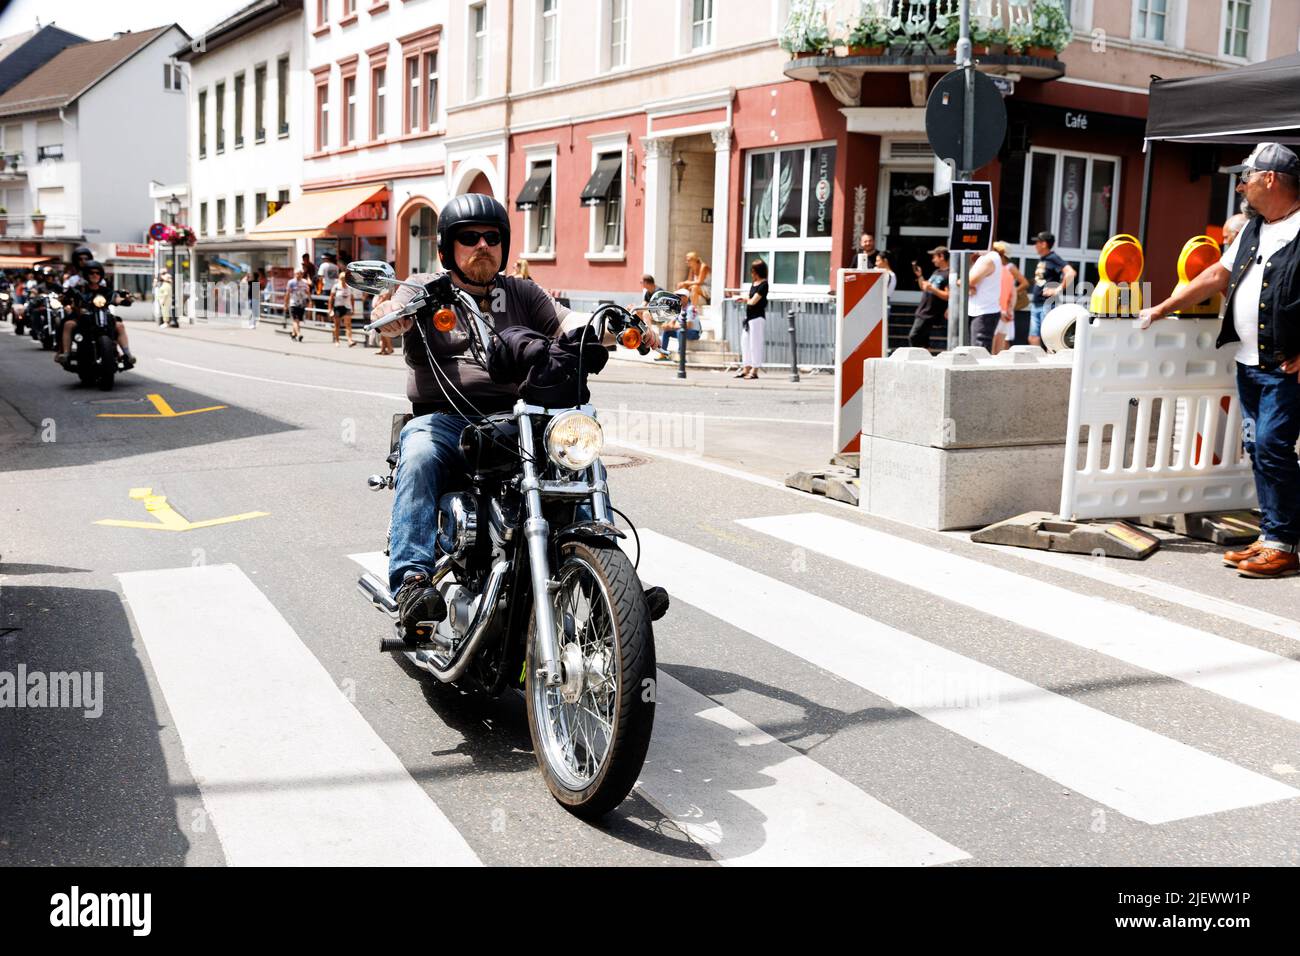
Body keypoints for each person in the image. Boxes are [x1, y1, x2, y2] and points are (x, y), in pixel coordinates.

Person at [368, 193, 659, 637]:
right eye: (469, 237)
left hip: (521, 419)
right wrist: (389, 313)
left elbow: (568, 322)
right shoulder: (427, 288)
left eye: (491, 237)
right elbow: (391, 311)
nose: (482, 245)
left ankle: (610, 580)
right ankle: (411, 581)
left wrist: (619, 326)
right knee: (421, 450)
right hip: (447, 420)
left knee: (576, 456)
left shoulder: (521, 292)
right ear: (448, 248)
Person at [1138, 142, 1300, 578]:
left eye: (1245, 177)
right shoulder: (1255, 228)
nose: (1240, 186)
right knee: (1259, 449)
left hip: (1287, 367)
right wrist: (1164, 306)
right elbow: (1216, 276)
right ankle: (1273, 537)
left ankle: (1283, 542)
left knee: (1272, 447)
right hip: (1250, 362)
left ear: (1269, 179)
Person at [56, 260, 134, 368]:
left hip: (103, 317)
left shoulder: (106, 291)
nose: (95, 275)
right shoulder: (78, 290)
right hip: (83, 318)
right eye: (91, 273)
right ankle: (66, 353)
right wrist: (64, 299)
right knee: (68, 324)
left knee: (119, 325)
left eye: (97, 273)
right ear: (86, 275)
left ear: (101, 275)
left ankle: (127, 354)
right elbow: (65, 298)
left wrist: (125, 300)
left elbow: (116, 298)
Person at [1028, 231, 1077, 347]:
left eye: (1037, 243)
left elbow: (1071, 273)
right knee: (1033, 337)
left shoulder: (1053, 257)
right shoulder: (1043, 259)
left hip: (1047, 304)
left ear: (1044, 244)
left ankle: (1048, 362)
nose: (1035, 245)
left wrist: (1057, 290)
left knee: (1047, 338)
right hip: (1036, 304)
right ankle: (1038, 363)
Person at [731, 259, 769, 379]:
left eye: (753, 271)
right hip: (749, 318)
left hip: (757, 318)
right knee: (745, 343)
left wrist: (746, 299)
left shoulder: (764, 284)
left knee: (755, 344)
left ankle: (755, 369)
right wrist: (742, 298)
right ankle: (746, 367)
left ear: (758, 271)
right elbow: (750, 297)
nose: (751, 273)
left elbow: (753, 301)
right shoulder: (754, 284)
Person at [908, 246, 950, 350]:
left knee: (914, 337)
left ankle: (917, 361)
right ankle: (926, 360)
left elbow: (948, 296)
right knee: (923, 342)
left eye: (934, 257)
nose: (932, 260)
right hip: (923, 310)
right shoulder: (936, 272)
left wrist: (932, 288)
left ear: (941, 256)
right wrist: (920, 276)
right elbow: (924, 288)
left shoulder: (949, 274)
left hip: (930, 313)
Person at [991, 241, 1029, 354]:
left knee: (1003, 339)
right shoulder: (993, 266)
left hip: (1005, 307)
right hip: (998, 306)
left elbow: (1025, 283)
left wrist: (1011, 292)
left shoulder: (1009, 267)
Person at [965, 245, 1004, 351]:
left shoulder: (989, 258)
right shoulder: (986, 258)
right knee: (975, 351)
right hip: (980, 311)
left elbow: (969, 281)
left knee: (979, 353)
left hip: (984, 312)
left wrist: (959, 281)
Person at [327, 270, 359, 347]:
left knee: (348, 324)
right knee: (337, 325)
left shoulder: (349, 288)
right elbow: (331, 298)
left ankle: (350, 340)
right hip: (338, 307)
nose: (343, 280)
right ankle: (337, 340)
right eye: (342, 278)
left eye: (345, 278)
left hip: (347, 307)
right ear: (340, 279)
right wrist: (330, 309)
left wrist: (353, 309)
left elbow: (352, 299)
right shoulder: (336, 287)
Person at [676, 251, 710, 316]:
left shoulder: (703, 267)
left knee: (694, 287)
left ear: (694, 260)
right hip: (699, 288)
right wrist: (683, 284)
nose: (687, 262)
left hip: (708, 289)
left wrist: (685, 283)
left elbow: (700, 281)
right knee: (682, 287)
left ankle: (691, 310)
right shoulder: (691, 268)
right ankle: (680, 309)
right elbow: (689, 281)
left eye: (688, 260)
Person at [283, 269, 310, 342]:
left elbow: (307, 292)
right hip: (293, 303)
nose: (299, 275)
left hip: (302, 304)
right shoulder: (291, 282)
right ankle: (299, 334)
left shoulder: (304, 282)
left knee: (298, 321)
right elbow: (288, 293)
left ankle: (293, 334)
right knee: (295, 320)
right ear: (295, 274)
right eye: (297, 274)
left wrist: (309, 300)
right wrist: (285, 304)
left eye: (300, 273)